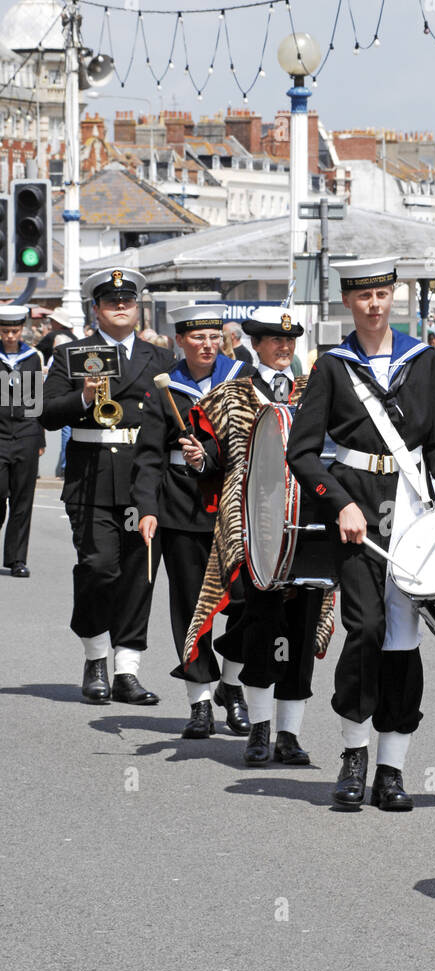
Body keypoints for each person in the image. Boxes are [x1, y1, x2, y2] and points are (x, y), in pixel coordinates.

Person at [286, 258, 435, 810]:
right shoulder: (332, 367)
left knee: (403, 639)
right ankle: (354, 751)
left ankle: (392, 767)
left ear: (394, 296)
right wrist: (338, 503)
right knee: (363, 628)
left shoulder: (422, 361)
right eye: (363, 295)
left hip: (414, 510)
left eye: (382, 294)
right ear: (348, 301)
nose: (373, 304)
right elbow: (302, 453)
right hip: (355, 511)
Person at [181, 307, 326, 766]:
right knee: (261, 627)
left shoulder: (315, 393)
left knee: (301, 630)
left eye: (290, 341)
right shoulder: (230, 395)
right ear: (255, 343)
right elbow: (216, 463)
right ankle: (259, 732)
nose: (284, 348)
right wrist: (200, 460)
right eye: (273, 341)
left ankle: (290, 736)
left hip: (308, 529)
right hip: (254, 531)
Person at [39, 268, 174, 704]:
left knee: (139, 576)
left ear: (138, 308)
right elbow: (45, 413)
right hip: (92, 474)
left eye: (128, 301)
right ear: (96, 309)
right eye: (111, 301)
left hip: (143, 478)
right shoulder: (72, 354)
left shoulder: (158, 359)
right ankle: (95, 656)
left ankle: (127, 670)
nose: (121, 306)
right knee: (98, 568)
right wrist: (83, 395)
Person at [130, 303, 254, 738]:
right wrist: (147, 509)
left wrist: (213, 456)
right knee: (189, 608)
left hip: (234, 509)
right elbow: (146, 456)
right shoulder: (165, 385)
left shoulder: (240, 377)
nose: (207, 345)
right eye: (197, 338)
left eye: (214, 337)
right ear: (180, 341)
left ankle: (233, 685)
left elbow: (252, 442)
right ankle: (200, 701)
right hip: (180, 509)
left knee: (247, 601)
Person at [0, 305, 44, 577]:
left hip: (26, 433)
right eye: (5, 331)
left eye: (15, 331)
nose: (10, 336)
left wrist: (39, 438)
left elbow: (35, 400)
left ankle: (16, 559)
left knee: (22, 499)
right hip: (0, 434)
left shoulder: (31, 358)